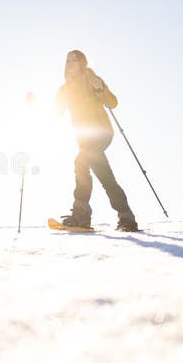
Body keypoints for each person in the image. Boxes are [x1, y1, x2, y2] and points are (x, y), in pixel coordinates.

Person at [55, 50, 138, 231]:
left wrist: (101, 89)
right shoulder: (65, 89)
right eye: (67, 60)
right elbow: (54, 113)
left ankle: (81, 215)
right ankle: (126, 217)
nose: (69, 63)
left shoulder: (91, 78)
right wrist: (34, 104)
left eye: (74, 60)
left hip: (101, 132)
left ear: (82, 62)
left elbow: (112, 103)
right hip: (84, 139)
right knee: (106, 178)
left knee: (80, 162)